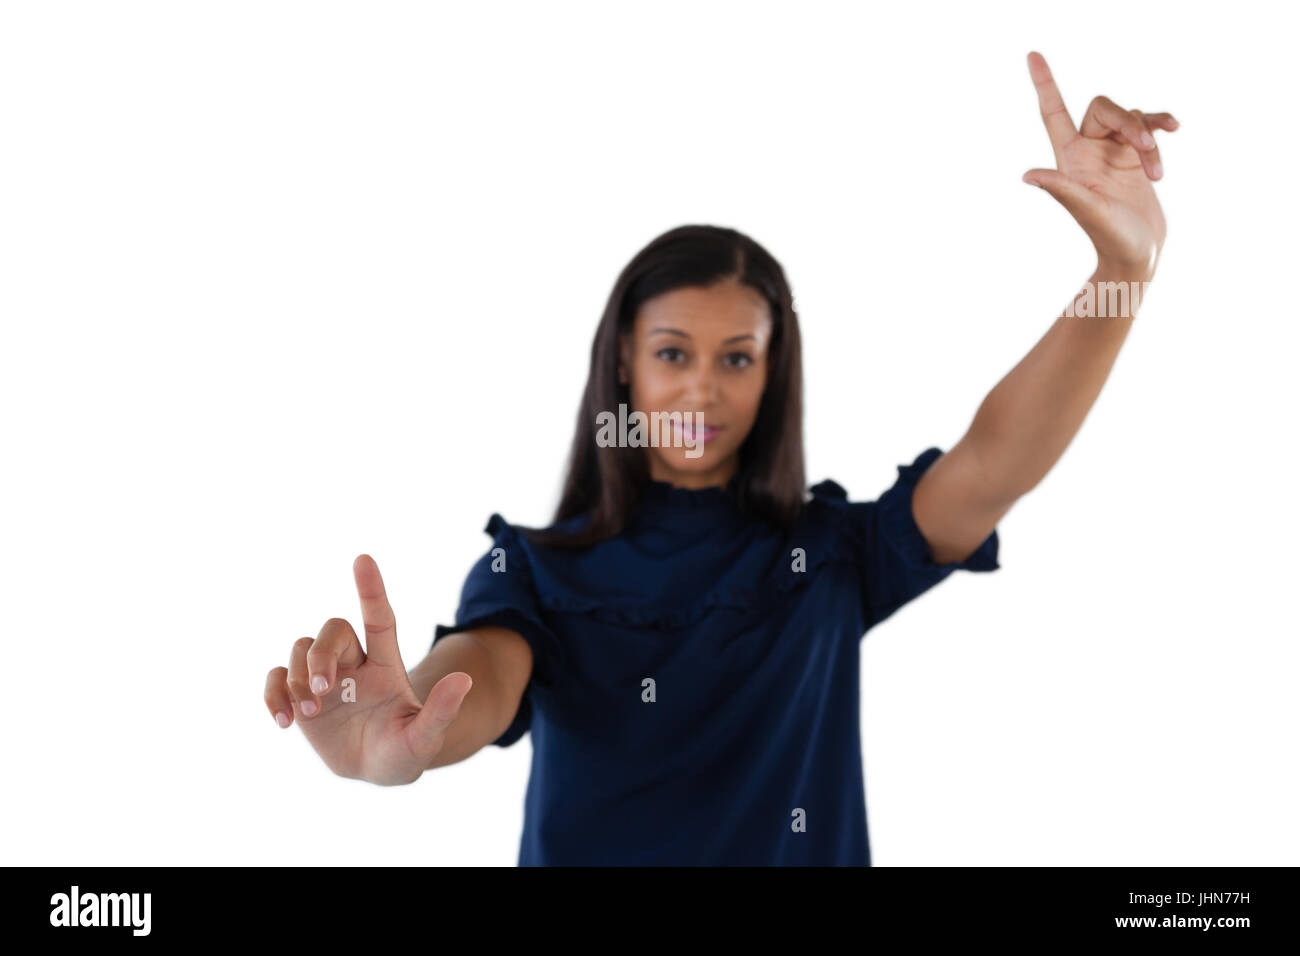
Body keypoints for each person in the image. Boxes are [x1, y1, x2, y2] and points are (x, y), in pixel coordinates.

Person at [263, 52, 1176, 865]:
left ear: (774, 371)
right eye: (672, 354)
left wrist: (1118, 275)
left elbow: (996, 461)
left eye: (736, 358)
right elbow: (479, 679)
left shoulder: (830, 555)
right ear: (623, 360)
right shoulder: (535, 572)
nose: (702, 391)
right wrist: (406, 726)